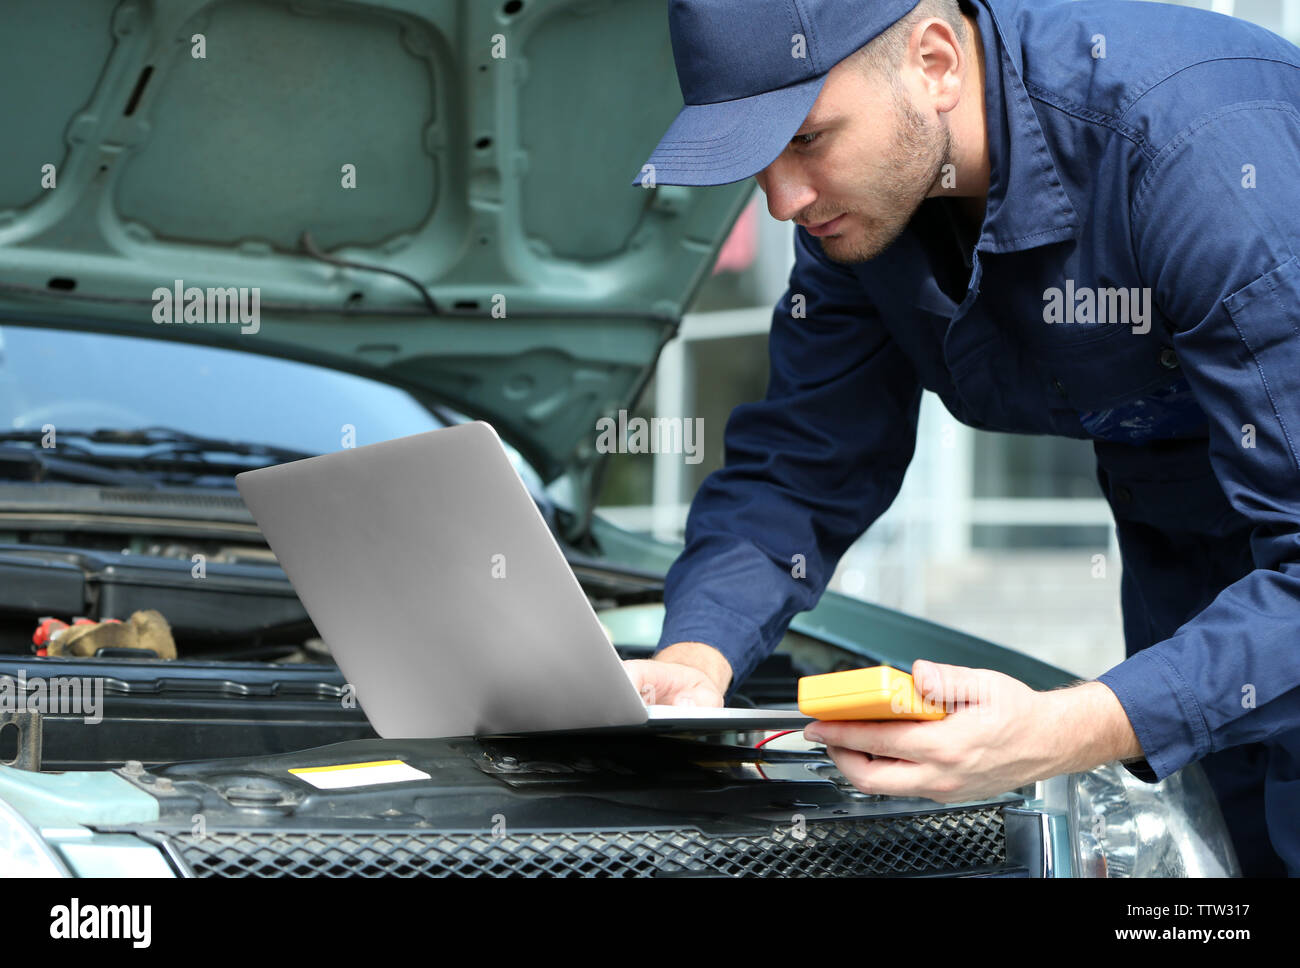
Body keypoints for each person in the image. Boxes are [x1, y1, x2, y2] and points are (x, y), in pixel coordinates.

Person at [623, 0, 1300, 877]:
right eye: (759, 160)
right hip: (1200, 621)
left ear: (937, 63)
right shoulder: (863, 217)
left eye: (809, 138)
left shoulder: (1202, 157)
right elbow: (799, 468)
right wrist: (695, 657)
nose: (785, 200)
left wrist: (1062, 730)